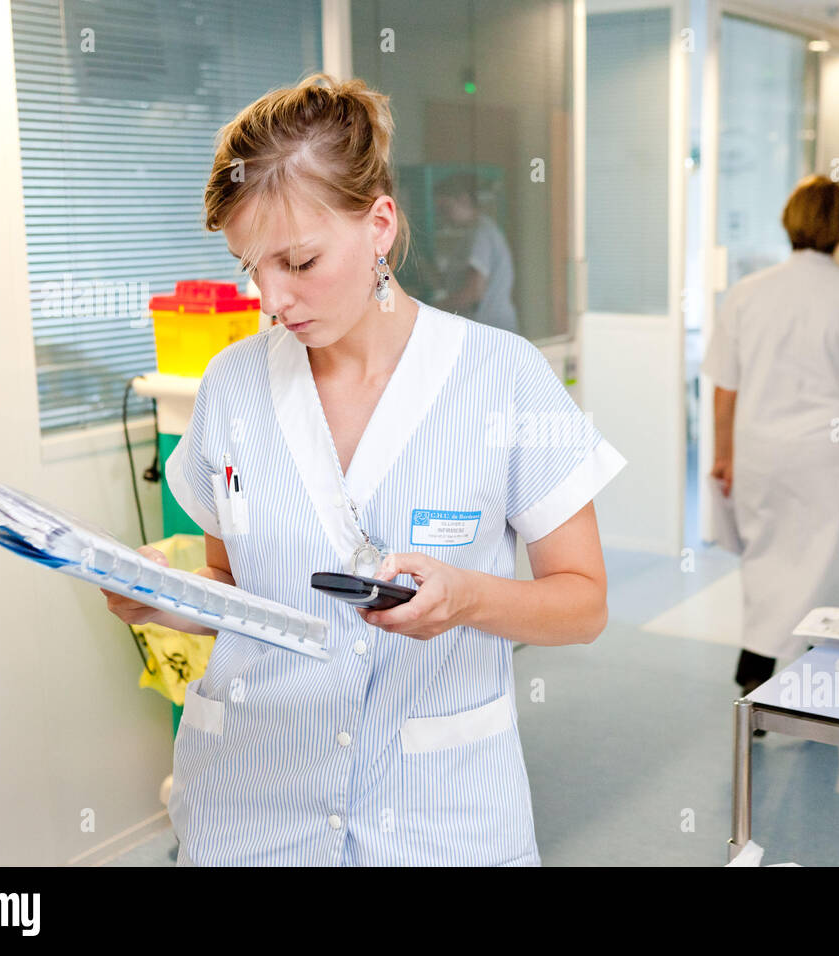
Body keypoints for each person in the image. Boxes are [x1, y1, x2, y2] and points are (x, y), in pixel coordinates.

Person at [102, 74, 626, 865]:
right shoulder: (233, 385)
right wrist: (162, 602)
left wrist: (467, 599)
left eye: (299, 260)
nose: (272, 297)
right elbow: (236, 593)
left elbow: (583, 605)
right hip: (253, 804)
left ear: (379, 223)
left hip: (439, 818)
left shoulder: (502, 376)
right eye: (251, 267)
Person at [705, 175, 839, 702]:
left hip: (763, 453)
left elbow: (724, 390)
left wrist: (723, 456)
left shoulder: (746, 293)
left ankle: (754, 672)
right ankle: (821, 683)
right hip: (836, 458)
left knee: (769, 561)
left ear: (789, 220)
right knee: (838, 571)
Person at [435, 174, 519, 333]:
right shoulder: (472, 233)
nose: (443, 216)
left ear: (464, 200)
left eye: (446, 209)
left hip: (492, 327)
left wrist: (434, 309)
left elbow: (473, 293)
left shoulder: (481, 234)